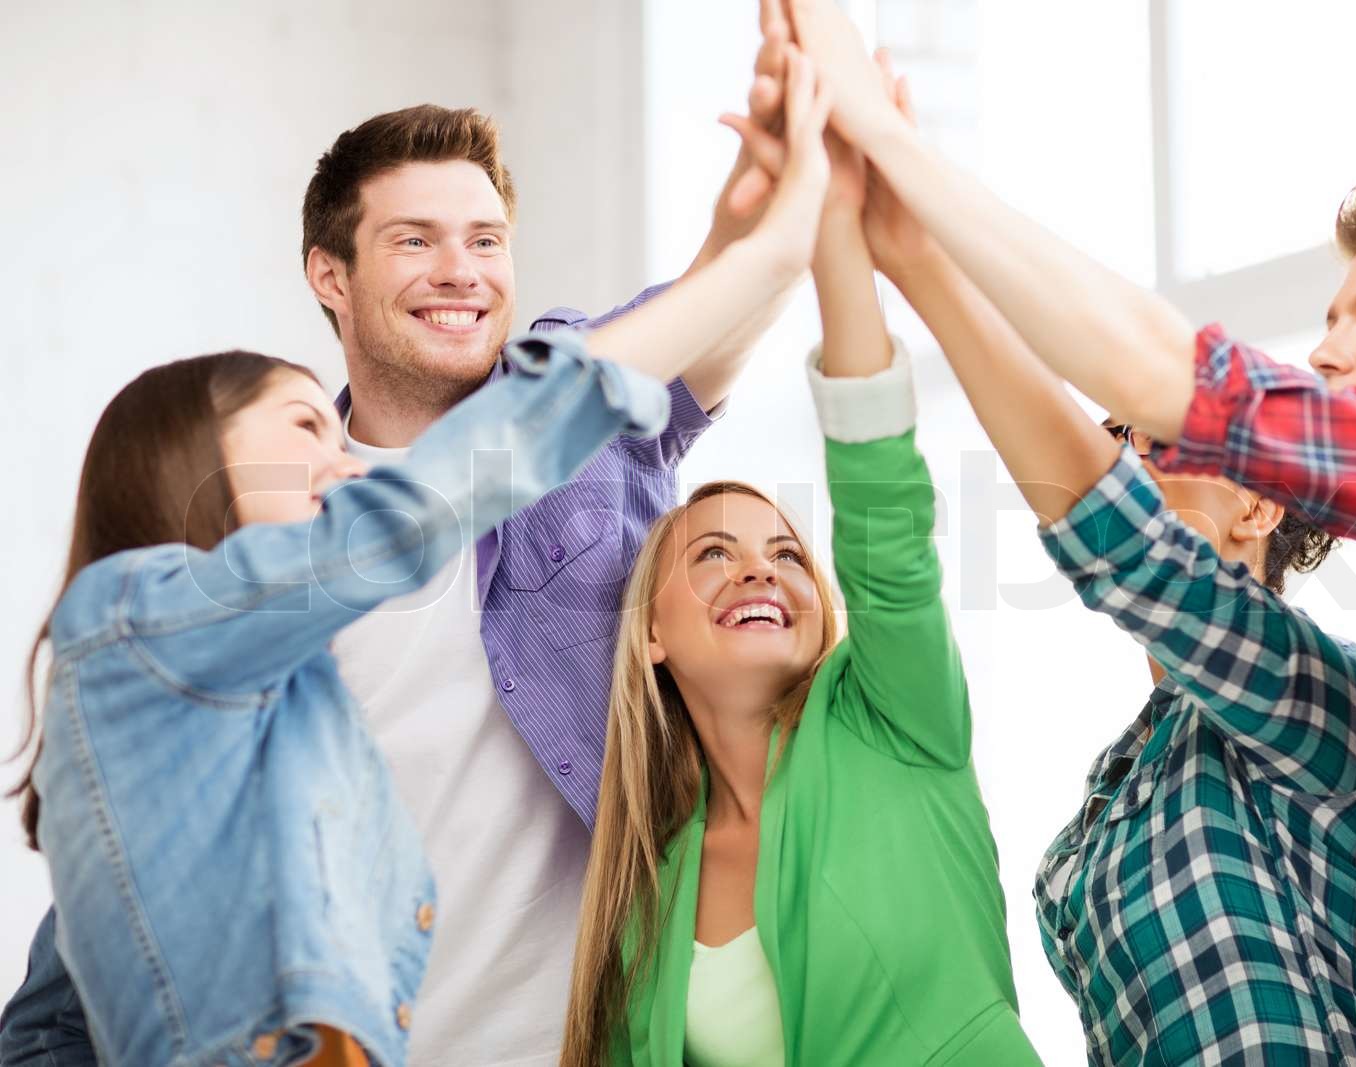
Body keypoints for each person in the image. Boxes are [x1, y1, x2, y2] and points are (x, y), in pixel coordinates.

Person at [785, 2, 1356, 1060]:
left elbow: (1160, 426)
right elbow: (1121, 531)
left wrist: (896, 154)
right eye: (1332, 318)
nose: (1327, 351)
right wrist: (912, 259)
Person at [0, 46, 835, 1067]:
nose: (461, 270)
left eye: (486, 238)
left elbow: (683, 340)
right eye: (415, 239)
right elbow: (109, 935)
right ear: (330, 274)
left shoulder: (572, 422)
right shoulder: (256, 589)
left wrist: (758, 223)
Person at [558, 63, 1042, 1067]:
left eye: (785, 552)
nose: (759, 571)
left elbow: (883, 516)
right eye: (714, 554)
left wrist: (829, 226)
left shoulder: (899, 724)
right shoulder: (648, 891)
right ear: (650, 631)